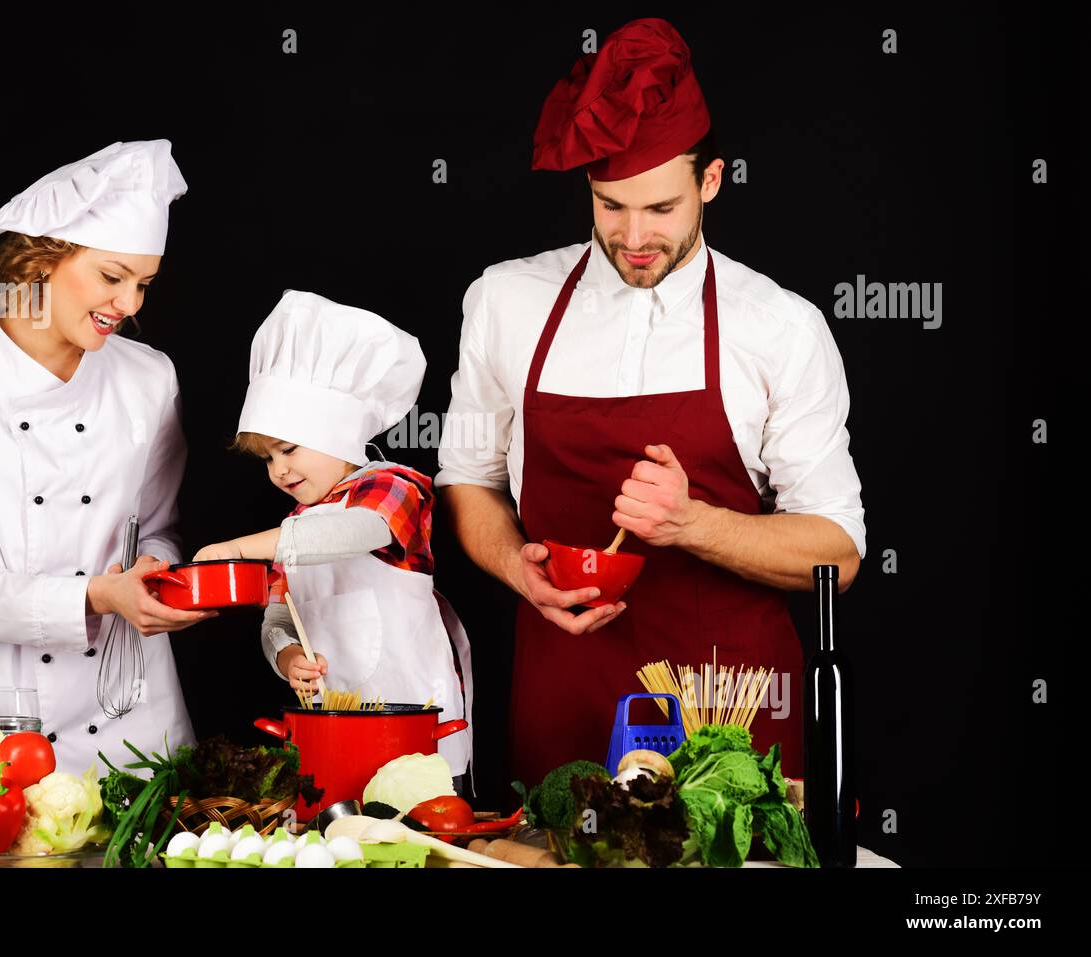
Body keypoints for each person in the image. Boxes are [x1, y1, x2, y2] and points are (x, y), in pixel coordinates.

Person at [435, 19, 865, 785]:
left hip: (726, 715)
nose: (634, 236)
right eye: (610, 206)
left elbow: (839, 550)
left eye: (661, 209)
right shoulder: (505, 301)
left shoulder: (780, 326)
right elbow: (468, 479)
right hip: (564, 689)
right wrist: (515, 568)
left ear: (711, 181)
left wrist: (691, 522)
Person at [0, 140, 211, 775]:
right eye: (112, 277)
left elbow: (160, 531)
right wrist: (96, 596)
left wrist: (154, 576)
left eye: (144, 284)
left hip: (133, 724)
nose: (131, 305)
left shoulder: (150, 377)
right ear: (38, 261)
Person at [193, 290, 474, 791]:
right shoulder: (296, 526)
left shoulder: (392, 485)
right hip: (334, 729)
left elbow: (350, 533)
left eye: (288, 450)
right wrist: (285, 656)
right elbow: (278, 616)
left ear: (337, 431)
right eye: (267, 460)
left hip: (414, 723)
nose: (278, 471)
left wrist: (238, 549)